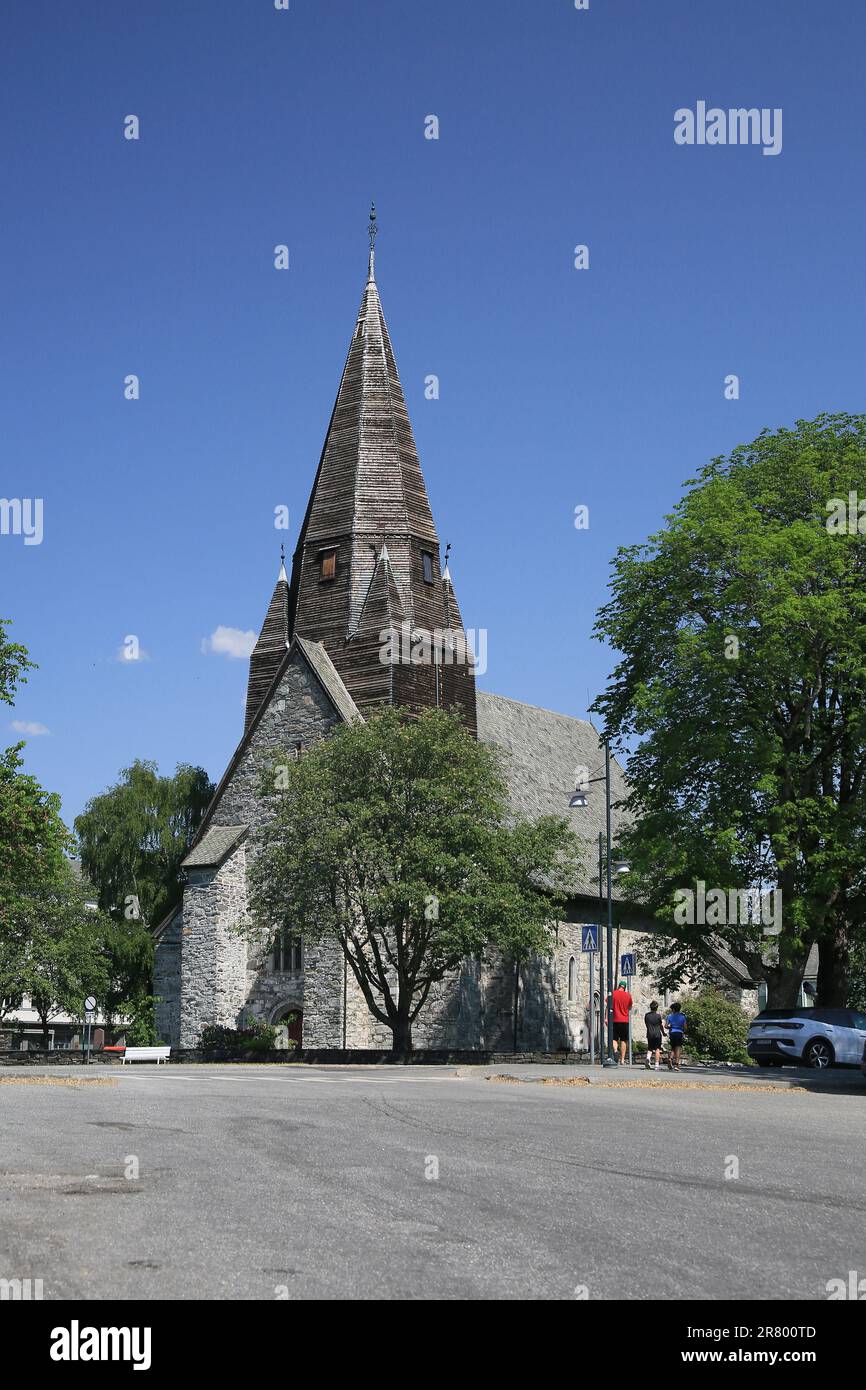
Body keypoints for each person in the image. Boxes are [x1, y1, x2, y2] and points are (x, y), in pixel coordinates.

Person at [611, 980, 633, 1064]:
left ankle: (616, 1051)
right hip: (625, 1021)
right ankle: (622, 1060)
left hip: (615, 1020)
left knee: (614, 1038)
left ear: (619, 986)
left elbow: (607, 1006)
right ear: (625, 987)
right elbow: (630, 1007)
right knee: (624, 1040)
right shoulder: (628, 995)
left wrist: (606, 1018)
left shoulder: (613, 993)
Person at [644, 999, 666, 1070]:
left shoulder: (647, 1016)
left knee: (650, 1048)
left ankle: (648, 1058)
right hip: (657, 1034)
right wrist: (663, 1033)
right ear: (657, 1008)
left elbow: (646, 1024)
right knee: (657, 1049)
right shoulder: (658, 1016)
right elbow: (660, 1026)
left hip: (649, 1033)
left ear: (650, 1007)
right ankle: (656, 1065)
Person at [666, 1001, 686, 1070]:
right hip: (679, 1033)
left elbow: (666, 1026)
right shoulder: (682, 1016)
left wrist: (671, 1027)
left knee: (673, 1047)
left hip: (672, 1033)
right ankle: (677, 1064)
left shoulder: (669, 1016)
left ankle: (670, 1058)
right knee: (678, 1048)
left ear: (673, 1009)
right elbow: (685, 1027)